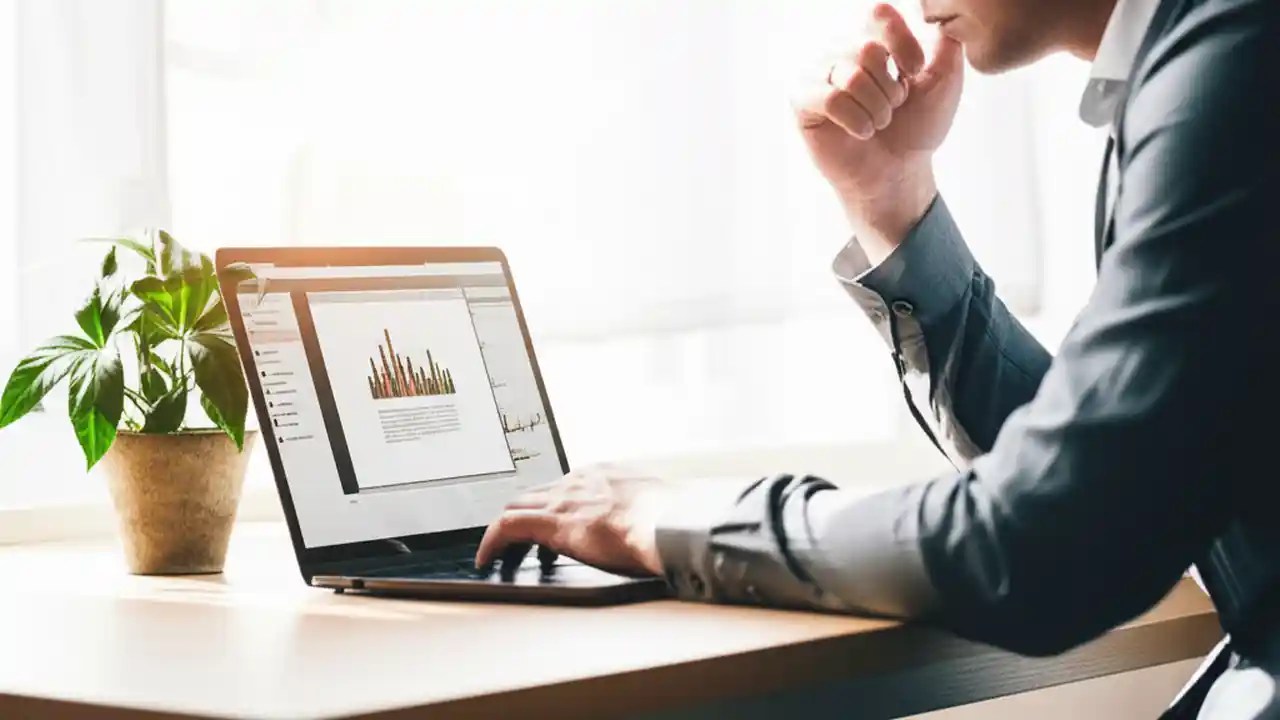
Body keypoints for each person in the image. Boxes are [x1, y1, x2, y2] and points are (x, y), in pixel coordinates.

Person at [476, 0, 1279, 716]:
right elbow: (1115, 477)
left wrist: (668, 522)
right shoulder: (1198, 57)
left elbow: (1046, 541)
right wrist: (890, 201)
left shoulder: (1235, 62)